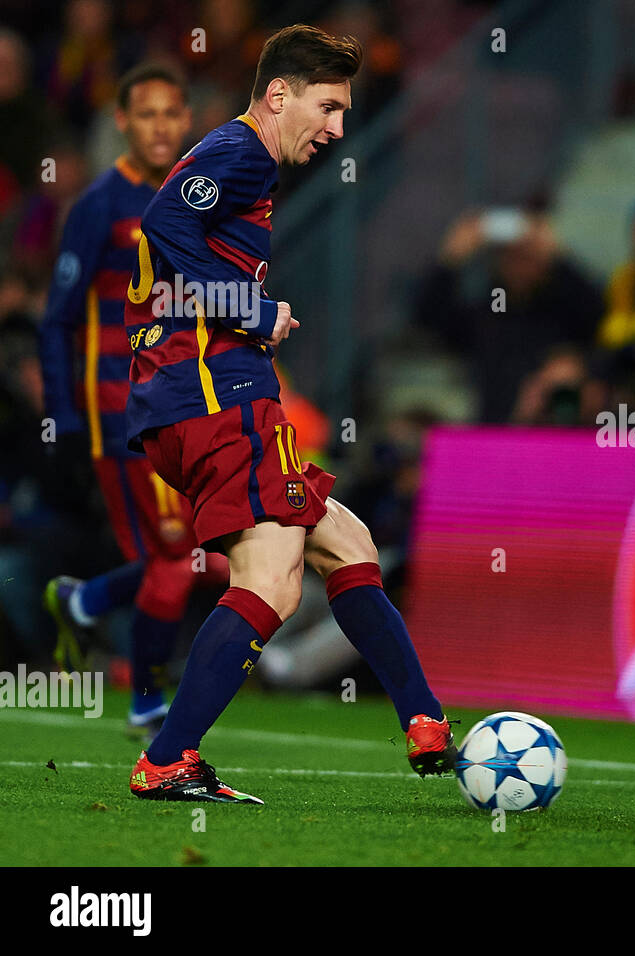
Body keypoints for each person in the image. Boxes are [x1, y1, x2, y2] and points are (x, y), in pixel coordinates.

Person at [122, 24, 454, 804]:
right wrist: (249, 307)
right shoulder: (240, 151)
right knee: (271, 582)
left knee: (346, 542)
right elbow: (164, 223)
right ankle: (167, 758)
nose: (337, 128)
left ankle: (426, 722)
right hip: (213, 393)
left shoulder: (241, 166)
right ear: (279, 96)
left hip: (193, 400)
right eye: (328, 106)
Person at [38, 63, 231, 743]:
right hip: (118, 408)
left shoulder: (195, 198)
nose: (161, 126)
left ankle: (84, 600)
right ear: (122, 122)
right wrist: (63, 408)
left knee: (191, 556)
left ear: (187, 121)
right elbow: (59, 317)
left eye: (172, 113)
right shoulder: (98, 206)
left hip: (181, 400)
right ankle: (148, 705)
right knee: (180, 556)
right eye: (145, 114)